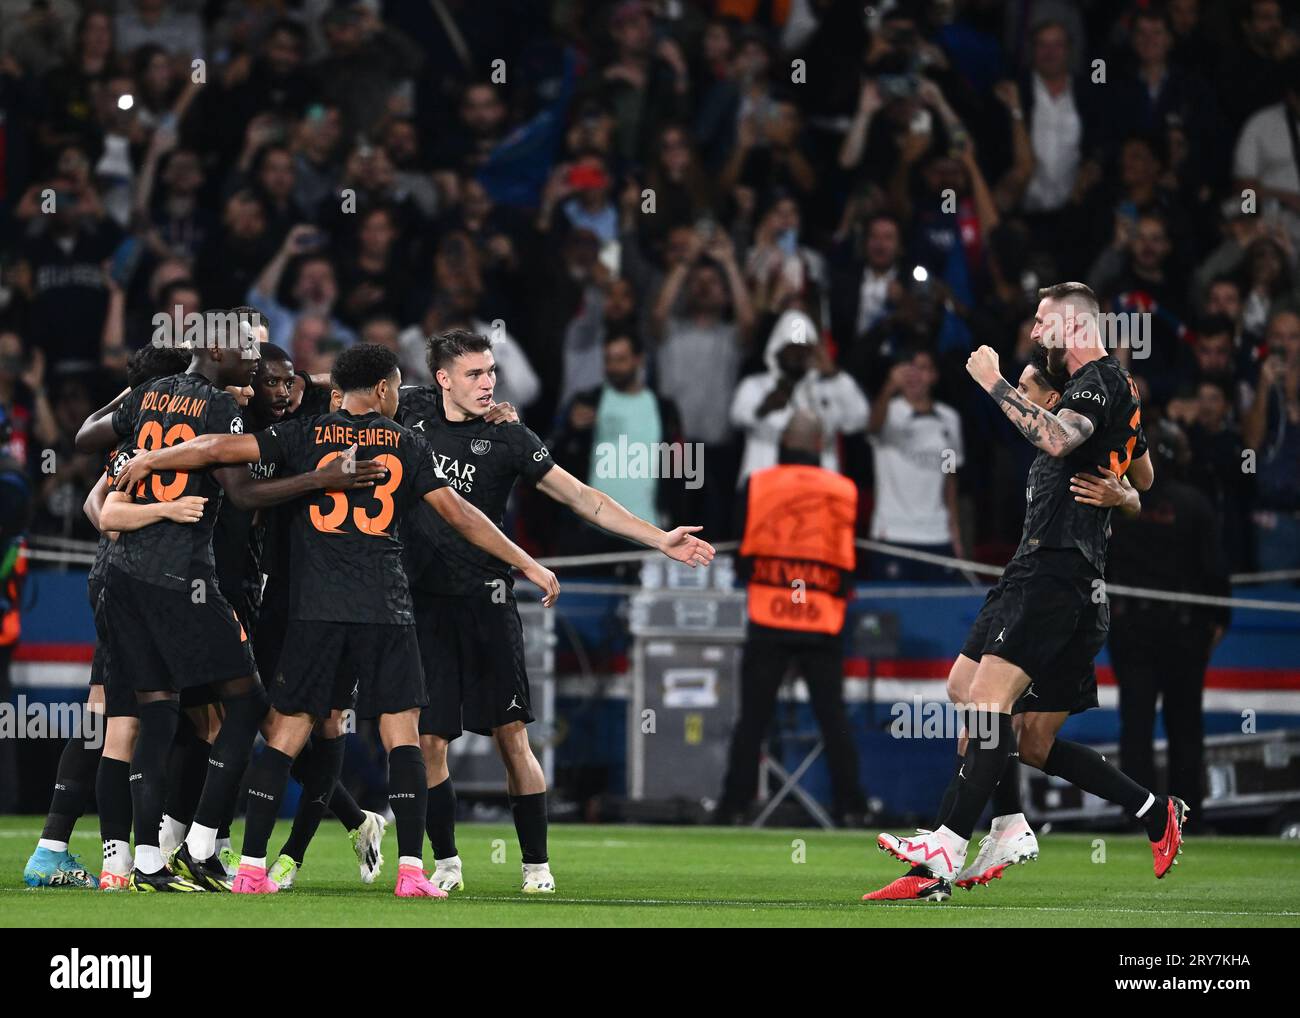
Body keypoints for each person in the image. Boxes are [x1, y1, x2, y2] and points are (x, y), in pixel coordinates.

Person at [114, 344, 561, 898]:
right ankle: (412, 874)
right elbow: (462, 515)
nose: (399, 397)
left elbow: (214, 447)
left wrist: (151, 458)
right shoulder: (406, 440)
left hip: (314, 610)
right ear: (380, 390)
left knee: (283, 736)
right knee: (403, 737)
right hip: (386, 609)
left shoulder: (305, 436)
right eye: (396, 387)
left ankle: (251, 869)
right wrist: (527, 562)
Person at [873, 282, 1190, 896]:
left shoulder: (1096, 379)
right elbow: (1144, 471)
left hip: (1059, 573)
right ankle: (1114, 814)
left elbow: (1057, 438)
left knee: (989, 707)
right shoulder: (1105, 388)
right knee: (994, 710)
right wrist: (1128, 492)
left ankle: (946, 847)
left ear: (1072, 326)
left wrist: (993, 382)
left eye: (1043, 321)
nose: (1034, 329)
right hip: (1043, 571)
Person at [392, 330, 714, 894]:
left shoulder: (512, 438)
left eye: (491, 371)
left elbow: (582, 497)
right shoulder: (411, 409)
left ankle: (536, 867)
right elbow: (348, 391)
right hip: (424, 603)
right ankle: (446, 863)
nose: (488, 382)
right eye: (473, 374)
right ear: (442, 379)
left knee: (512, 735)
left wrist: (659, 538)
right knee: (430, 741)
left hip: (488, 602)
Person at [717, 412, 868, 826]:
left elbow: (741, 554)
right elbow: (850, 561)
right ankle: (852, 807)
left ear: (783, 441)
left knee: (753, 718)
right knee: (833, 717)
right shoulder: (844, 490)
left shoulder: (758, 483)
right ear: (821, 445)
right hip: (822, 620)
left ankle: (733, 806)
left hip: (770, 615)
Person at [1109, 420, 1231, 821]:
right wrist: (1217, 620)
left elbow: (1101, 564)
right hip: (1184, 631)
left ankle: (1139, 816)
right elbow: (1215, 570)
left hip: (1134, 629)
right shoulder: (1195, 503)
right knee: (1185, 725)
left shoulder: (1119, 501)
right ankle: (1187, 814)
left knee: (1136, 725)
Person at [730, 308, 868, 484]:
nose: (798, 355)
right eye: (792, 348)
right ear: (777, 349)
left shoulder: (829, 387)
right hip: (767, 489)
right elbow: (737, 416)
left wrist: (835, 376)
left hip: (818, 489)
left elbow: (859, 420)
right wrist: (764, 408)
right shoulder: (756, 385)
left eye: (804, 348)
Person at [866, 346, 965, 580]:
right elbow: (872, 428)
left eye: (923, 368)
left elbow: (949, 476)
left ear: (934, 376)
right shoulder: (888, 411)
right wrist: (889, 387)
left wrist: (955, 534)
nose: (915, 375)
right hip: (893, 532)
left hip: (936, 533)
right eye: (909, 369)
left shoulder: (949, 419)